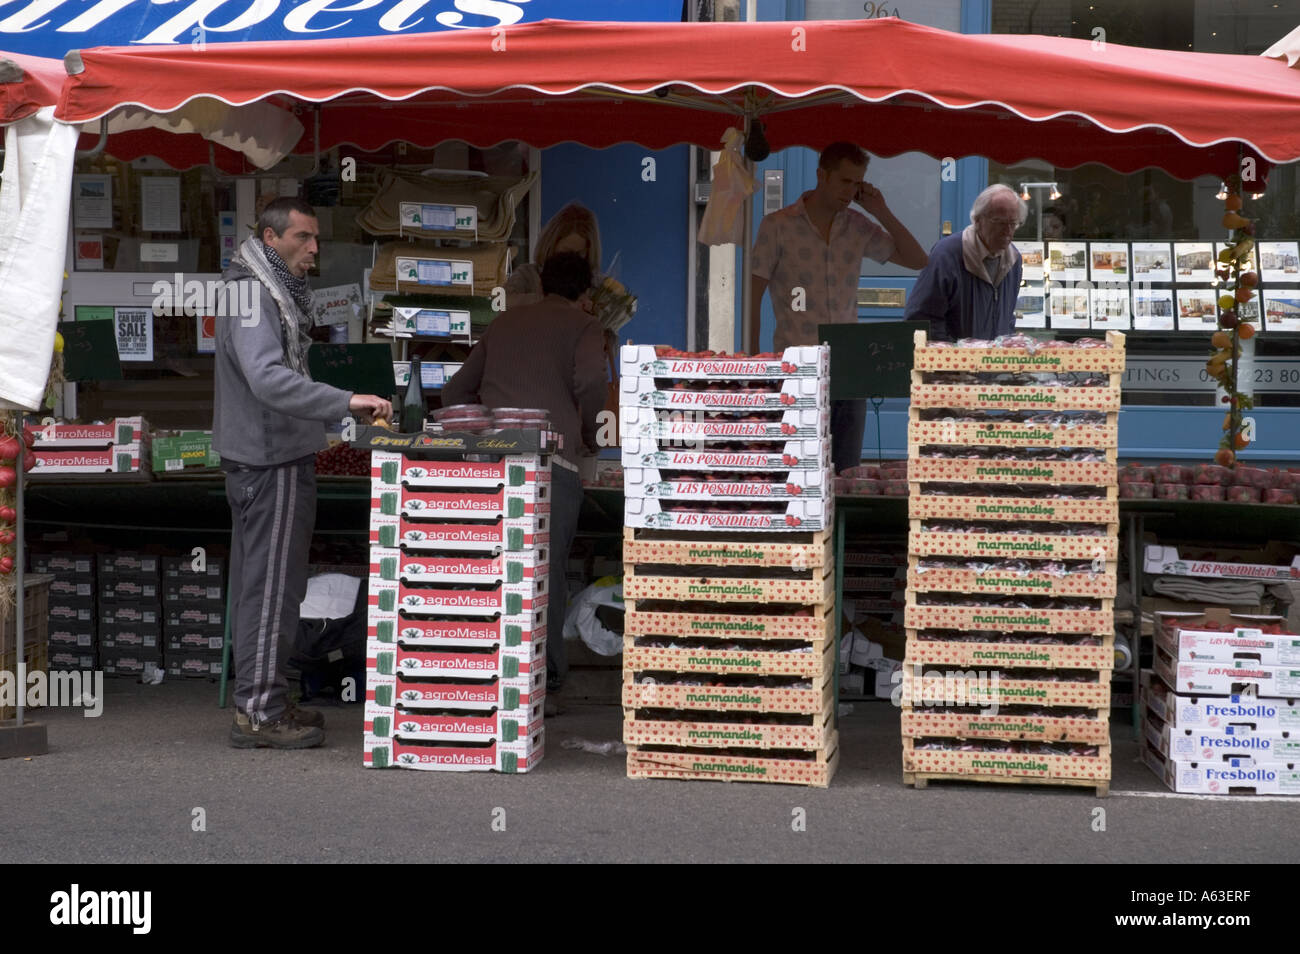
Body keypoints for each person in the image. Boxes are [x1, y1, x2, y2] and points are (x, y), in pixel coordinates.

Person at [214, 197, 392, 749]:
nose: (314, 249)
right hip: (270, 459)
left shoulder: (262, 289)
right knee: (272, 589)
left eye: (316, 238)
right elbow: (267, 378)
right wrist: (345, 400)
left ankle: (261, 699)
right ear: (271, 239)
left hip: (266, 455)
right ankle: (261, 714)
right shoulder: (250, 294)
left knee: (260, 588)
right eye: (302, 238)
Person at [441, 252, 607, 706]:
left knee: (491, 566)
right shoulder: (584, 327)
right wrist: (591, 432)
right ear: (585, 292)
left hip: (491, 462)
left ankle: (478, 668)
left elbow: (454, 390)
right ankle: (545, 678)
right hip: (552, 464)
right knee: (544, 572)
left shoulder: (504, 324)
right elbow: (592, 380)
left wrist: (483, 429)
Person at [749, 142, 928, 476]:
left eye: (857, 183)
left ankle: (842, 526)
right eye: (845, 181)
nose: (851, 191)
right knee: (798, 466)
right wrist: (754, 357)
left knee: (847, 471)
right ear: (822, 175)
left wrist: (882, 211)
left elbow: (919, 260)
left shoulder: (858, 226)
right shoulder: (777, 226)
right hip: (797, 364)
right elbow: (753, 291)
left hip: (848, 368)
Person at [903, 184, 1026, 341]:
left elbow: (1007, 316)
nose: (1008, 231)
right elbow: (920, 318)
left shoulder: (1014, 259)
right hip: (954, 362)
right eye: (999, 222)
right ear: (977, 220)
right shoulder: (946, 254)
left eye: (1013, 223)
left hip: (994, 362)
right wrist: (956, 354)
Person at [505, 203, 602, 308]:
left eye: (578, 255)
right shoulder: (528, 275)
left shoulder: (595, 286)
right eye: (565, 253)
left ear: (588, 255)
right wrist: (547, 300)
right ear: (550, 246)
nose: (571, 261)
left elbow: (613, 316)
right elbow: (501, 303)